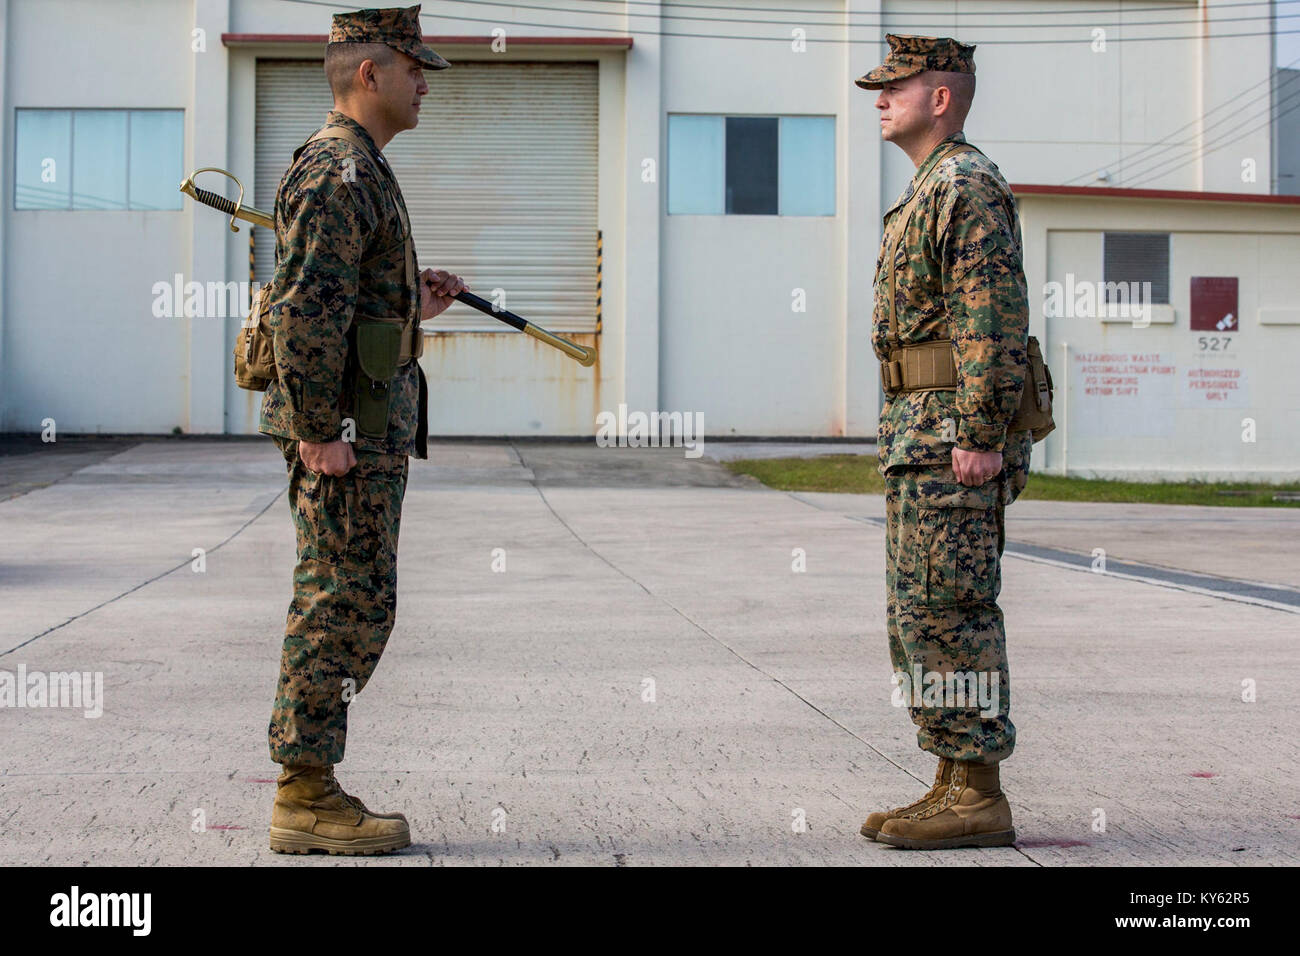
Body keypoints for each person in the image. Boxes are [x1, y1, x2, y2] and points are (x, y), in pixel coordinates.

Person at [258, 4, 465, 855]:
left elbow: (343, 308)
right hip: (345, 431)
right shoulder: (339, 169)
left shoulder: (363, 169)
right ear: (368, 73)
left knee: (359, 602)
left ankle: (312, 782)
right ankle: (304, 794)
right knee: (338, 602)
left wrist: (411, 304)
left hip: (365, 423)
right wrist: (318, 428)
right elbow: (304, 311)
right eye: (412, 67)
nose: (424, 81)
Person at [854, 35, 1032, 850]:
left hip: (950, 438)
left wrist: (981, 434)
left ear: (941, 99)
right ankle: (953, 777)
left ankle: (979, 792)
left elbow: (990, 319)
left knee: (952, 609)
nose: (880, 98)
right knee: (920, 612)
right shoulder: (931, 187)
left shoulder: (965, 184)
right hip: (918, 436)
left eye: (897, 86)